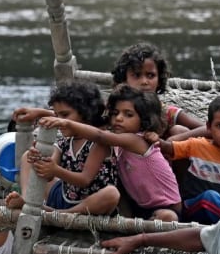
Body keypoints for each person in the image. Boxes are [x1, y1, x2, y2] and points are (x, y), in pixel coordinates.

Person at [39, 84, 181, 221]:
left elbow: (100, 135)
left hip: (167, 206)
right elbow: (90, 116)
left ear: (143, 120)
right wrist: (41, 113)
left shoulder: (137, 140)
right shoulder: (117, 137)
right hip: (138, 205)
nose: (118, 118)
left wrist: (68, 124)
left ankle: (64, 214)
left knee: (168, 217)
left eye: (128, 115)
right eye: (115, 113)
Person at [5, 79, 120, 215]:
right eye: (56, 114)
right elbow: (48, 175)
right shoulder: (66, 141)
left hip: (90, 205)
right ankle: (28, 202)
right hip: (63, 198)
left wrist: (55, 170)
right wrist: (40, 162)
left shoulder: (98, 142)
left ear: (85, 113)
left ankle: (59, 215)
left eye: (64, 115)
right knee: (26, 158)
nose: (58, 120)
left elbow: (84, 180)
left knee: (112, 194)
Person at [155, 94, 220, 224]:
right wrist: (153, 139)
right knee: (210, 197)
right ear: (209, 127)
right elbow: (168, 147)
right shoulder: (196, 145)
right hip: (195, 206)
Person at [111, 42, 204, 137]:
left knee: (179, 130)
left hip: (162, 151)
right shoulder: (114, 111)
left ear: (159, 80)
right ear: (124, 80)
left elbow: (207, 128)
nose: (144, 82)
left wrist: (171, 142)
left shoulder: (167, 113)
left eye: (150, 75)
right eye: (137, 75)